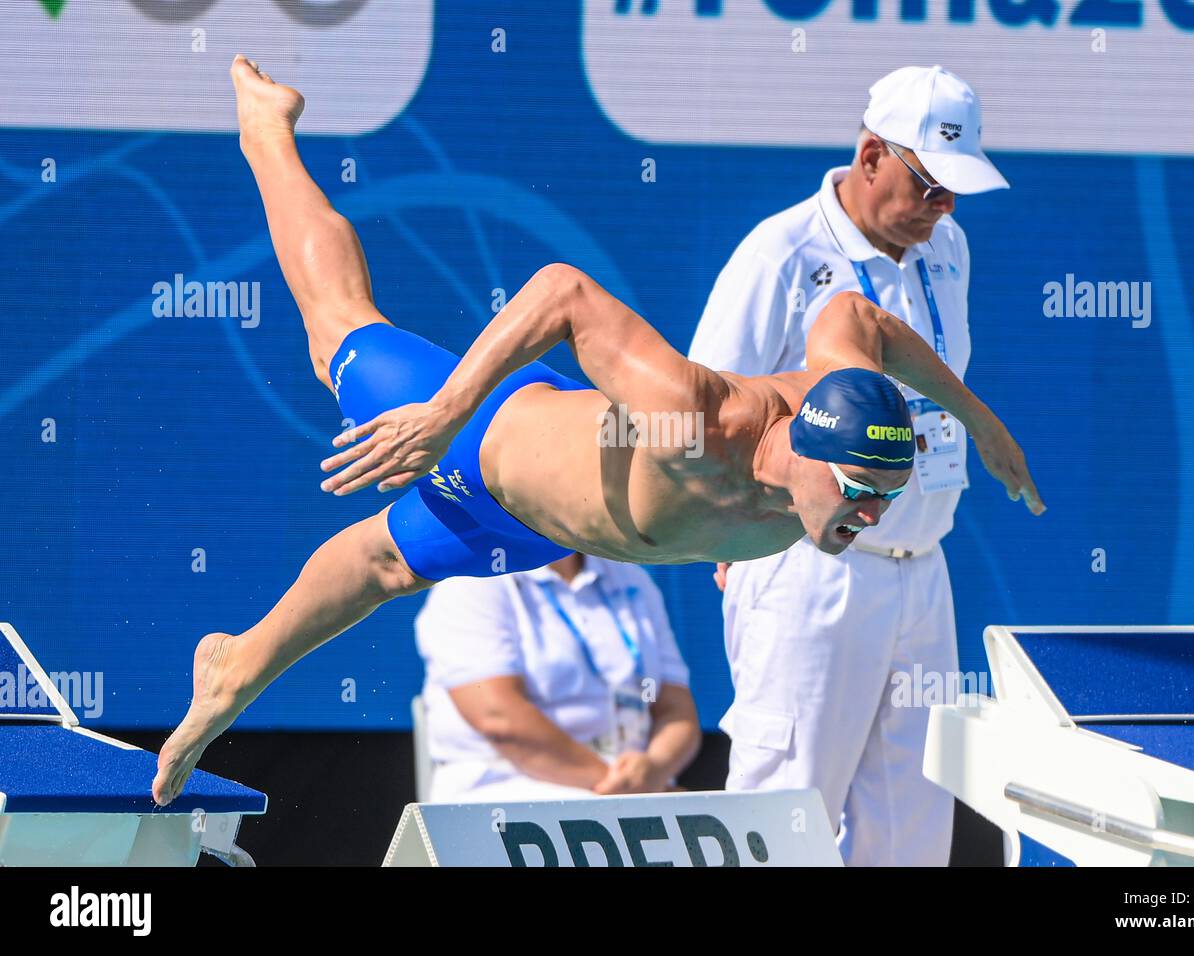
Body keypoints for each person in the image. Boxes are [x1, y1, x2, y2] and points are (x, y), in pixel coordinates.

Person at [151, 56, 1042, 807]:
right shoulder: (694, 419)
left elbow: (865, 318)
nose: (871, 516)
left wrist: (982, 422)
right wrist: (443, 414)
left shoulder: (836, 381)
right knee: (336, 328)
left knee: (380, 566)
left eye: (883, 498)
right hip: (486, 445)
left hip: (537, 532)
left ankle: (234, 664)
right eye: (858, 493)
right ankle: (266, 130)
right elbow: (563, 292)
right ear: (806, 448)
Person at [688, 65, 1016, 865]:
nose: (942, 211)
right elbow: (699, 414)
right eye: (929, 188)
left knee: (913, 830)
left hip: (921, 568)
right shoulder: (781, 254)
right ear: (871, 155)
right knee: (781, 820)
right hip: (809, 571)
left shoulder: (949, 249)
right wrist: (730, 537)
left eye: (954, 194)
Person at [415, 552, 699, 802]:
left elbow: (677, 711)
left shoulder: (633, 580)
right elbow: (498, 718)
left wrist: (654, 767)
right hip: (506, 790)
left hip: (627, 794)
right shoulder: (473, 579)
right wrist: (619, 787)